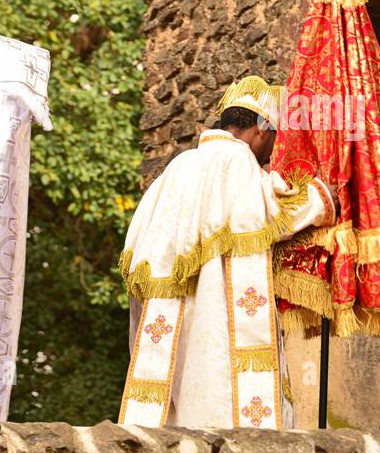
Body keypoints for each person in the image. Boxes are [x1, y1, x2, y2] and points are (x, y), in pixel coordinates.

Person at [119, 76, 334, 430]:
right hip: (215, 312)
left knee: (179, 414)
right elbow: (268, 215)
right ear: (262, 127)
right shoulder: (236, 162)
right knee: (222, 405)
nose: (271, 153)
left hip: (168, 318)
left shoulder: (177, 168)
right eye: (274, 138)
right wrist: (322, 199)